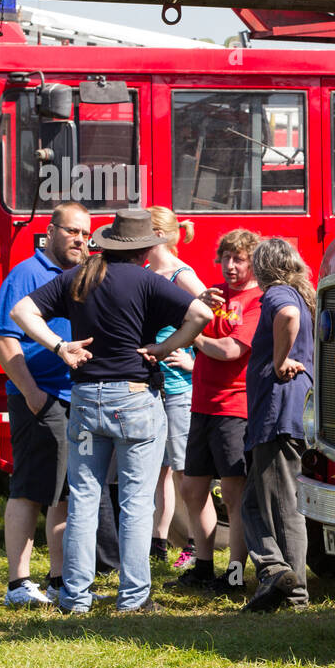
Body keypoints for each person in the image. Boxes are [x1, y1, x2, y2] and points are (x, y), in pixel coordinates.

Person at [10, 210, 213, 613]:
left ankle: (74, 597)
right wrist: (165, 349)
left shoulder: (80, 277)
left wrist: (59, 346)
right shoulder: (149, 281)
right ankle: (134, 599)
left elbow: (21, 312)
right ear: (144, 249)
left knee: (84, 499)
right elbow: (202, 315)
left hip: (85, 398)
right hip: (136, 399)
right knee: (137, 502)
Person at [0, 202, 92, 606]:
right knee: (30, 490)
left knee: (65, 493)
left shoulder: (80, 276)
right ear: (49, 232)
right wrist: (31, 392)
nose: (80, 240)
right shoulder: (27, 273)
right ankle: (18, 584)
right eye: (72, 232)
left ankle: (59, 581)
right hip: (39, 398)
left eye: (85, 234)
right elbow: (3, 337)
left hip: (75, 397)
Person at [170, 229, 262, 595]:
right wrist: (196, 311)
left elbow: (229, 350)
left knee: (234, 493)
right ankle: (204, 566)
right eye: (225, 258)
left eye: (238, 259)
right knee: (193, 488)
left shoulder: (258, 301)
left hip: (234, 408)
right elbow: (180, 321)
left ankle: (236, 573)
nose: (230, 266)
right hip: (202, 404)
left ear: (253, 262)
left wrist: (194, 336)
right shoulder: (211, 295)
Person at [240, 238, 315, 612]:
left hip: (278, 410)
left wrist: (279, 360)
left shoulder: (278, 294)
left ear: (261, 267)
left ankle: (292, 588)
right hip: (292, 410)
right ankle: (275, 573)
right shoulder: (300, 293)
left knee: (283, 504)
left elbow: (287, 317)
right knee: (254, 503)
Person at [146, 206, 209, 568]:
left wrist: (194, 360)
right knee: (159, 470)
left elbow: (212, 318)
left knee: (186, 472)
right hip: (152, 384)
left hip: (179, 386)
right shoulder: (145, 272)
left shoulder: (182, 275)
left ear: (157, 233)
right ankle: (158, 541)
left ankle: (193, 547)